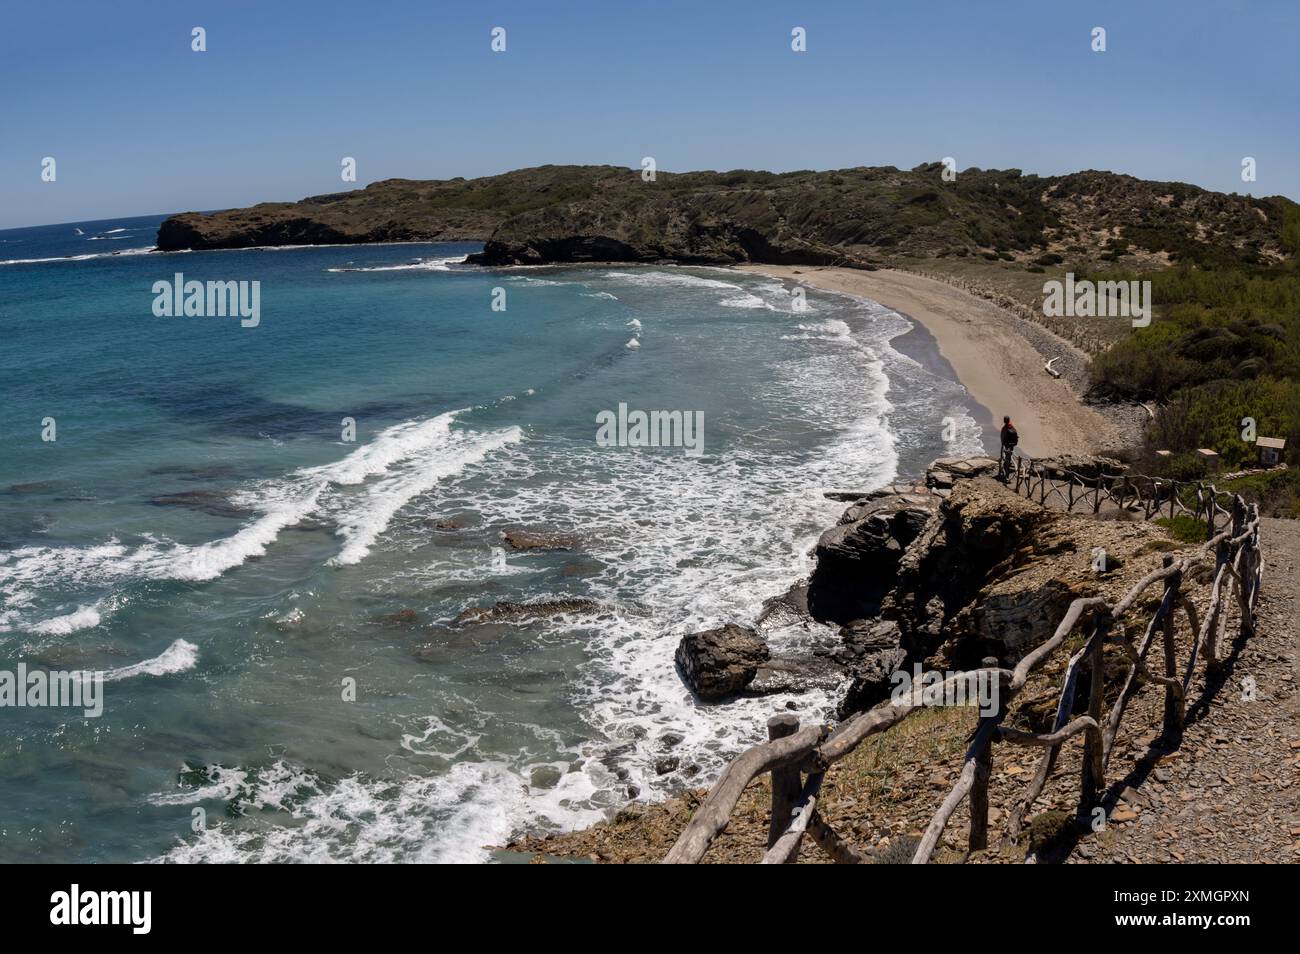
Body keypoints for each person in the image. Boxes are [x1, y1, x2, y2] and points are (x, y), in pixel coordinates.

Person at [999, 415, 1019, 480]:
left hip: (1006, 444)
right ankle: (1008, 464)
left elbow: (1002, 436)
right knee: (1009, 455)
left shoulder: (1005, 428)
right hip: (1012, 444)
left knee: (1006, 456)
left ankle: (1006, 474)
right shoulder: (1012, 427)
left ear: (1004, 421)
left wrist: (1002, 443)